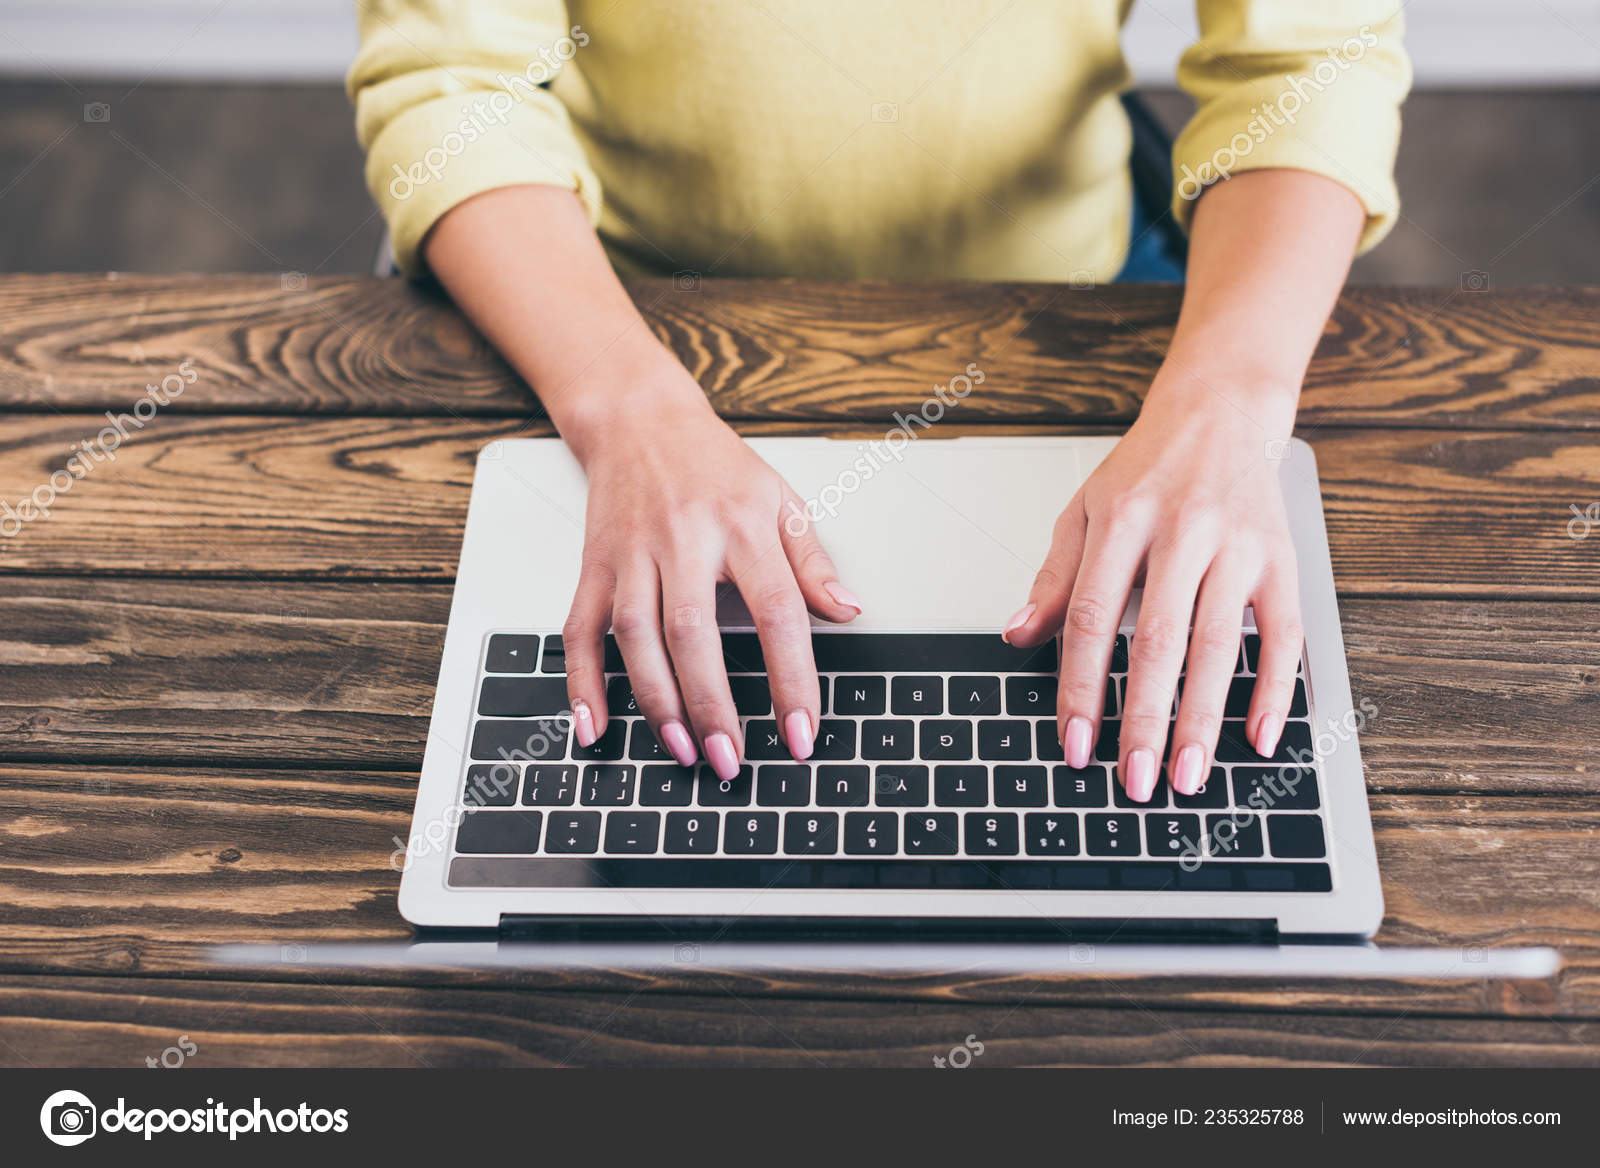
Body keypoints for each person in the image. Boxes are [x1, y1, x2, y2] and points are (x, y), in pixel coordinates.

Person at [349, 2, 1410, 802]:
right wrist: (625, 412)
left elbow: (1309, 58)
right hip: (613, 309)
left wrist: (1229, 397)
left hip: (1085, 305)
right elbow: (454, 85)